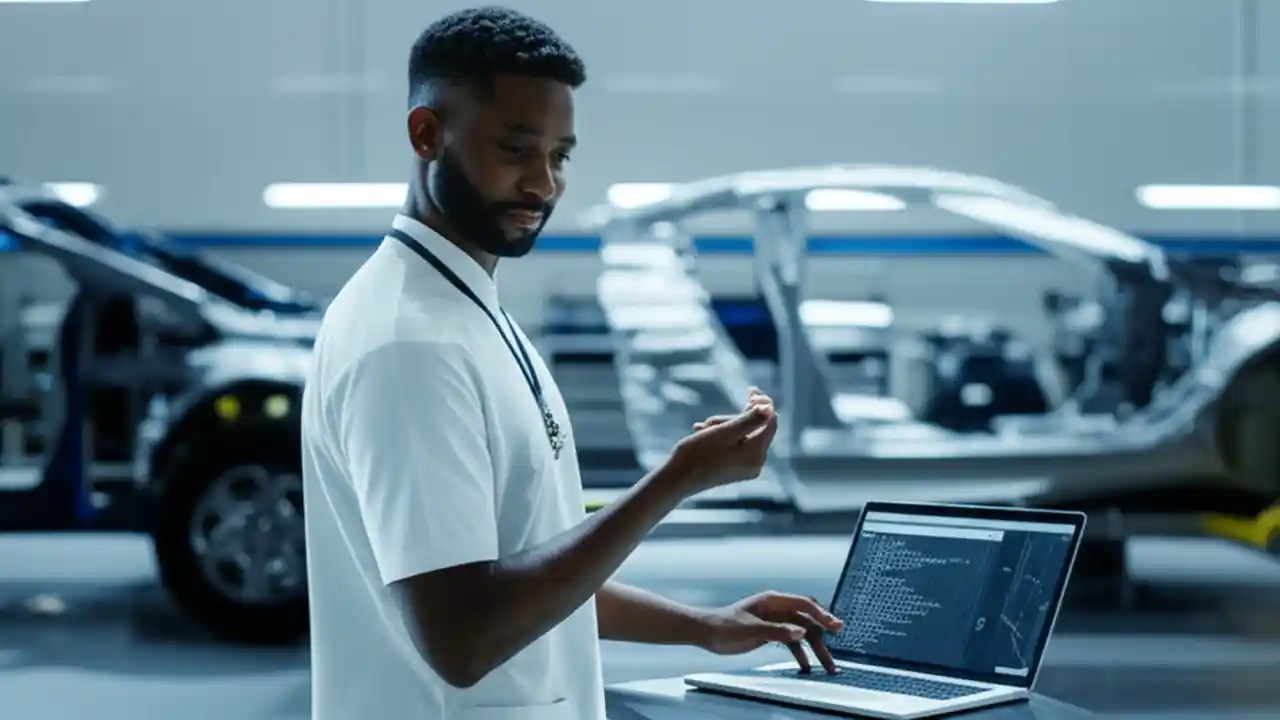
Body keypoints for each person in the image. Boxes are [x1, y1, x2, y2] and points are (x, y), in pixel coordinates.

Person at [300, 6, 842, 719]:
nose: (544, 184)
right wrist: (676, 481)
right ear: (427, 134)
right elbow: (463, 634)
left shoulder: (466, 311)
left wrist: (702, 626)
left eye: (559, 156)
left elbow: (527, 573)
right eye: (516, 150)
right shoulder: (409, 346)